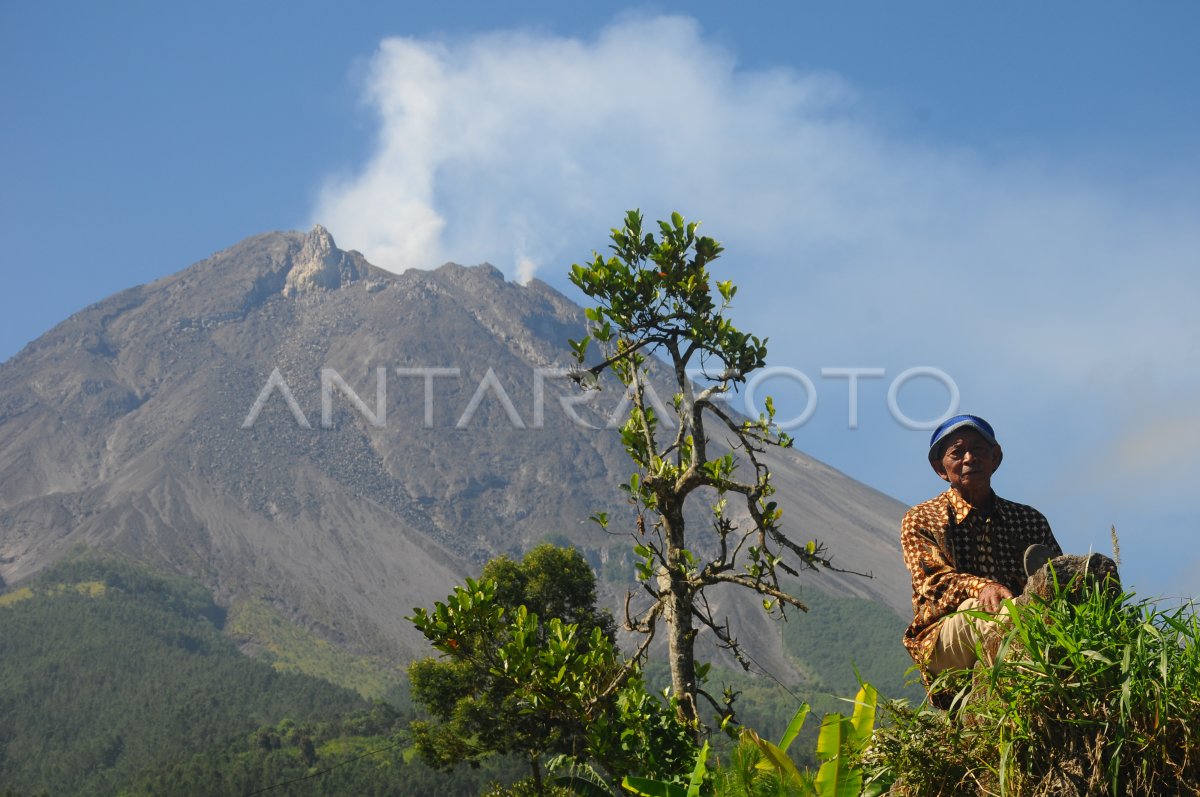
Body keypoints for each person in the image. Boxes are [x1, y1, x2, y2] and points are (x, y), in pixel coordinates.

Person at [900, 414, 1061, 704]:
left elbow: (1054, 580)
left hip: (1020, 617)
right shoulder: (923, 518)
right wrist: (981, 587)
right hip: (942, 636)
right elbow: (932, 583)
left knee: (1038, 614)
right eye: (957, 452)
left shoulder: (1028, 520)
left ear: (995, 458)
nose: (969, 457)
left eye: (979, 449)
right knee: (987, 610)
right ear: (941, 469)